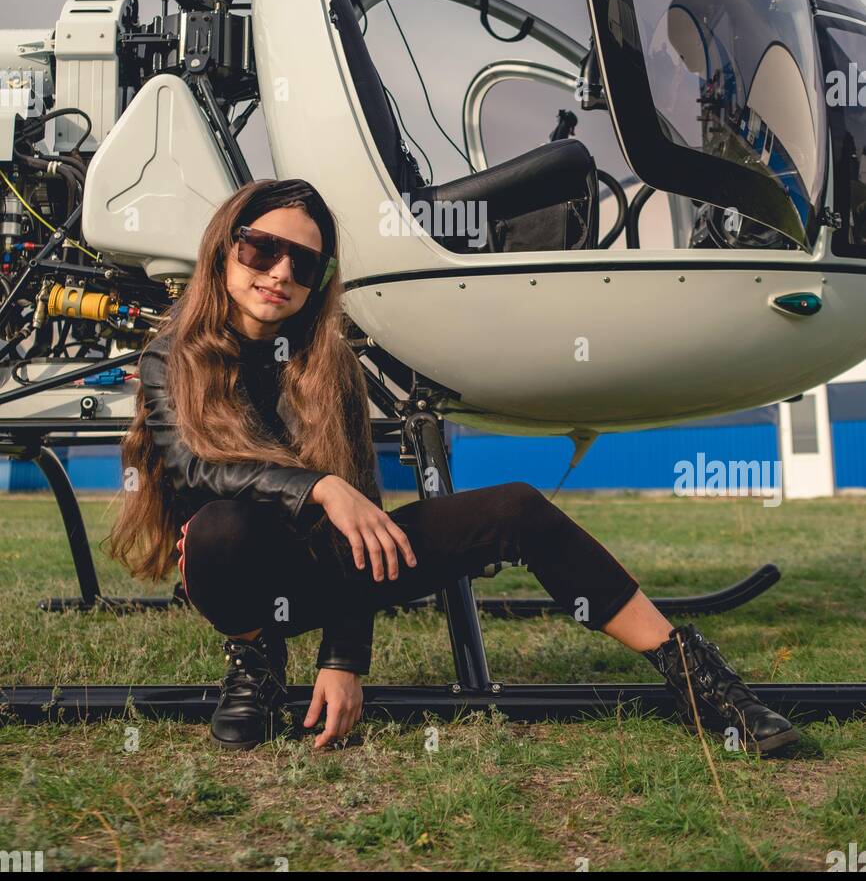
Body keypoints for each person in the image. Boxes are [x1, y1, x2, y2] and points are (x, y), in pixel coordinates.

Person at [108, 177, 800, 758]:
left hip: (334, 568)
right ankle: (256, 662)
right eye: (262, 248)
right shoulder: (171, 356)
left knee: (517, 506)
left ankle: (694, 676)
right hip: (241, 570)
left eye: (305, 263)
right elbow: (196, 467)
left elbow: (367, 528)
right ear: (225, 249)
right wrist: (320, 487)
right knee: (220, 526)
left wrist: (345, 660)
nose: (281, 272)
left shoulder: (328, 364)